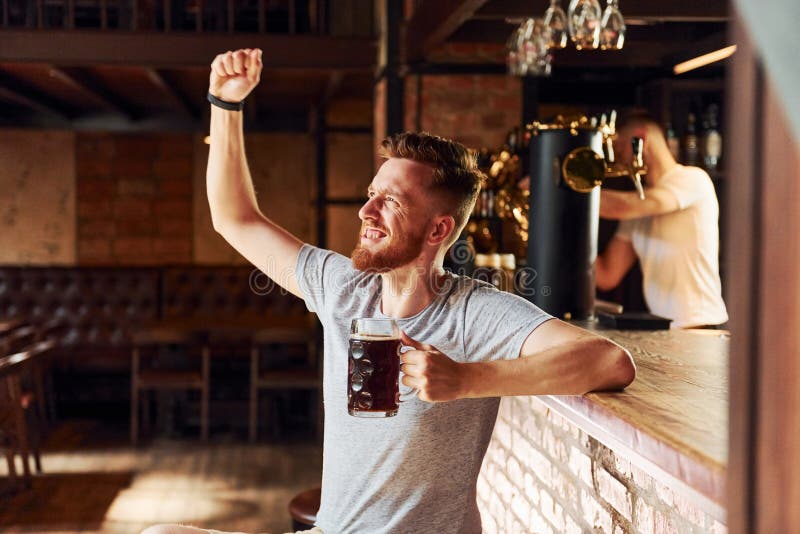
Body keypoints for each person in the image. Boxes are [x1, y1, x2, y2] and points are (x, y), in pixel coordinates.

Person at [142, 48, 636, 534]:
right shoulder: (342, 288)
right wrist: (225, 106)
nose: (366, 212)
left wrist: (466, 380)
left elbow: (610, 362)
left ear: (438, 230)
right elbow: (236, 217)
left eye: (391, 203)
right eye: (370, 195)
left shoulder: (473, 312)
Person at [595, 112, 729, 329]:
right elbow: (607, 275)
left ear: (641, 139)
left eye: (620, 148)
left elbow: (628, 206)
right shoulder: (637, 207)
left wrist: (562, 192)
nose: (618, 158)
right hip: (666, 328)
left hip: (701, 326)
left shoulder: (692, 179)